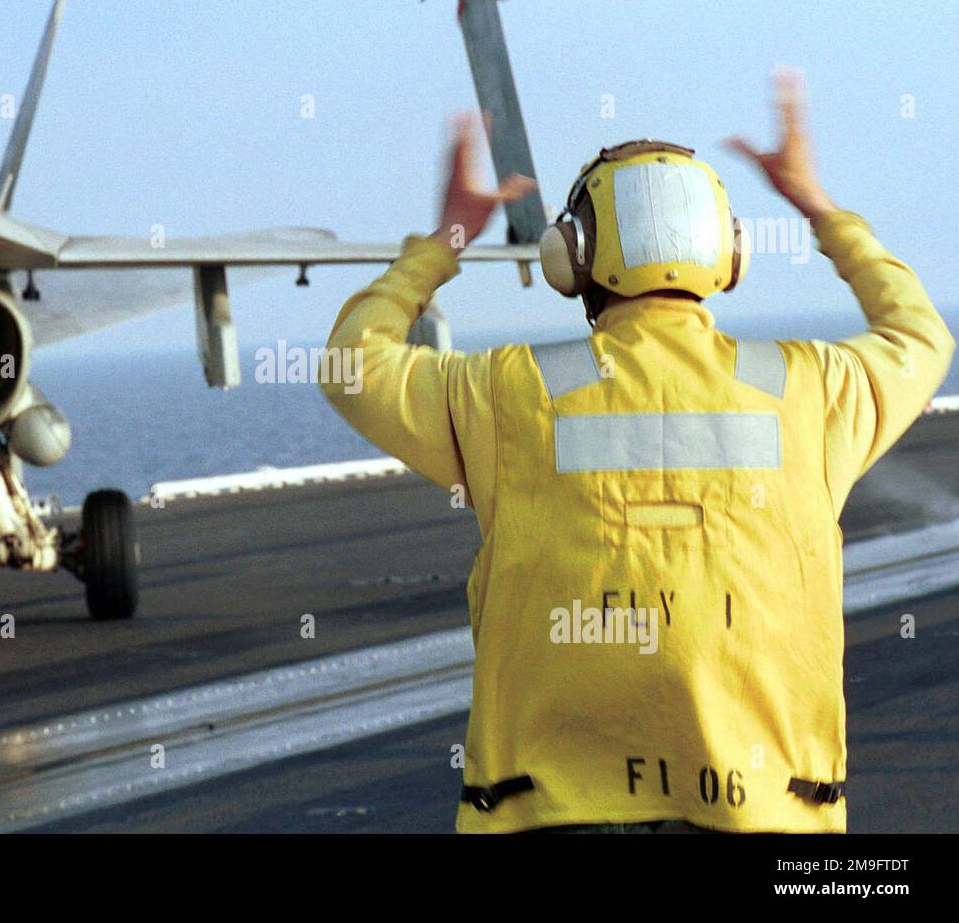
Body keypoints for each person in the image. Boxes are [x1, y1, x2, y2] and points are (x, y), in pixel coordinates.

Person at [318, 70, 954, 833]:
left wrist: (444, 242)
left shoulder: (511, 392)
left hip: (546, 811)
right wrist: (818, 207)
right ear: (730, 254)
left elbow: (351, 362)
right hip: (771, 810)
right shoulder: (809, 389)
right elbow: (920, 335)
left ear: (571, 257)